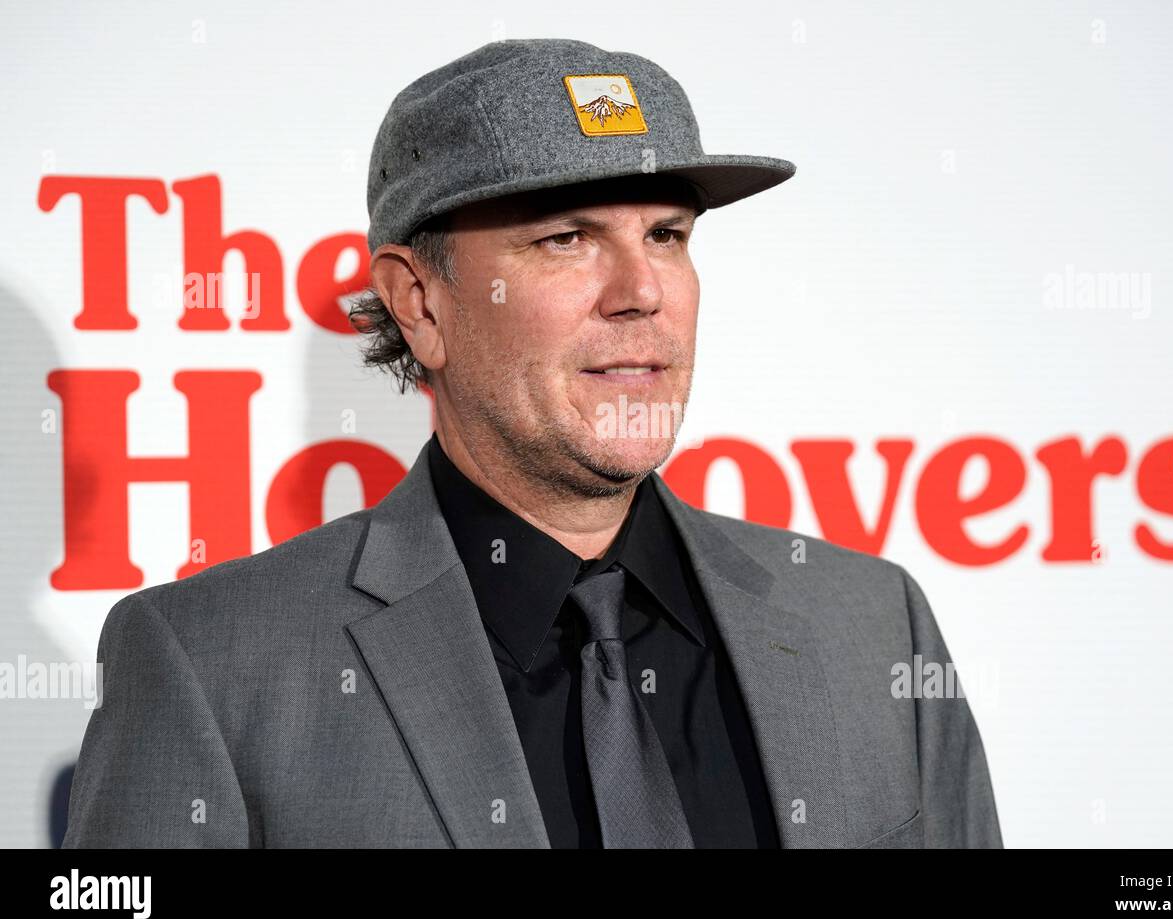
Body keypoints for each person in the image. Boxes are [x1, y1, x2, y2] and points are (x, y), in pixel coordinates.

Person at [62, 38, 1002, 848]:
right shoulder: (214, 667)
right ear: (421, 304)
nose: (643, 290)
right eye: (565, 239)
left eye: (668, 234)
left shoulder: (874, 626)